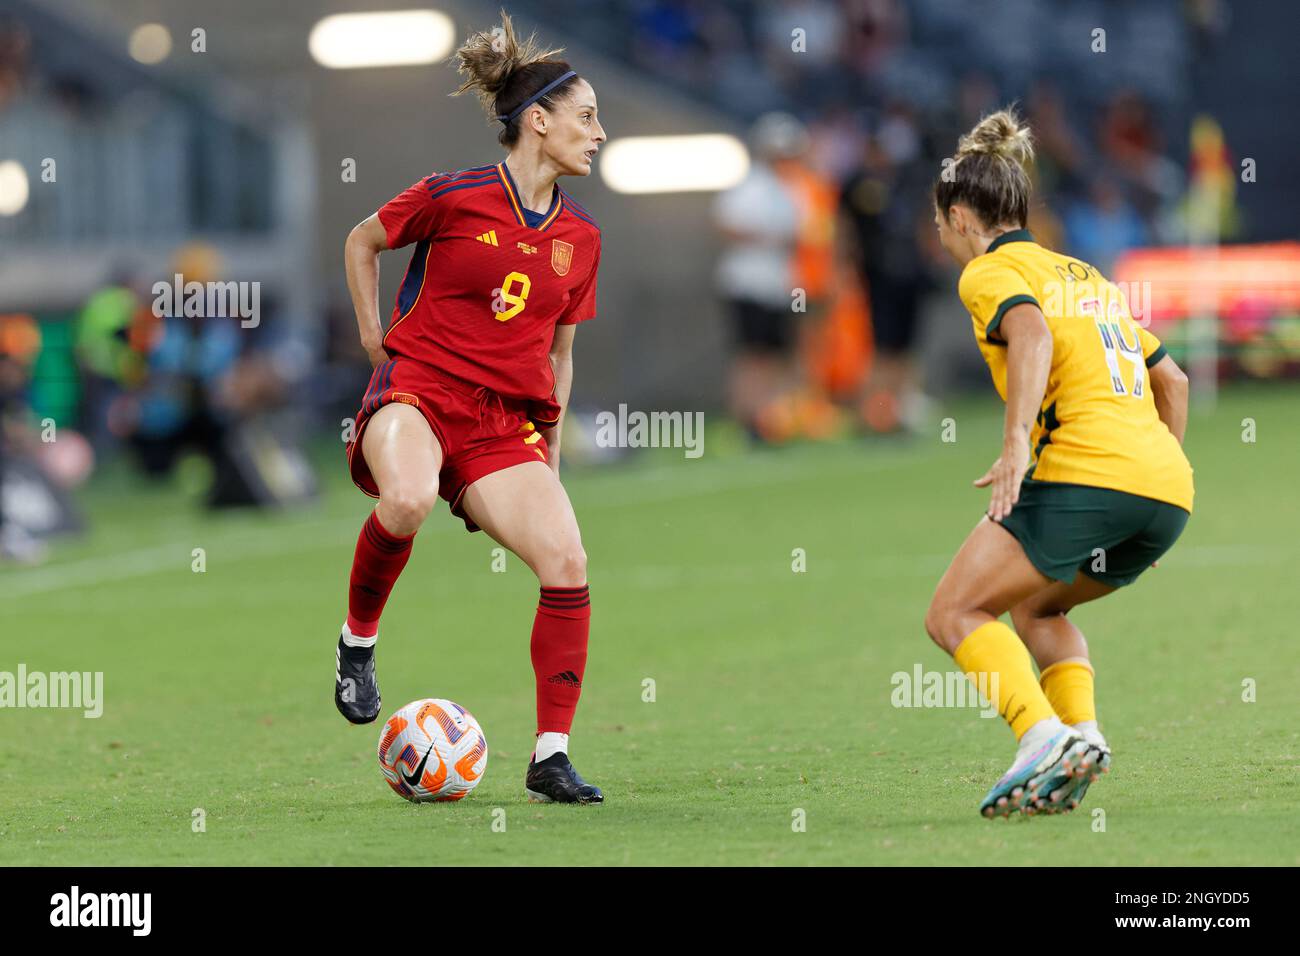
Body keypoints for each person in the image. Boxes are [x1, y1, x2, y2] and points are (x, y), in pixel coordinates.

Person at [336, 13, 606, 804]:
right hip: (416, 391)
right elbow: (362, 240)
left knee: (567, 561)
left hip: (501, 423)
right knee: (409, 497)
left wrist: (549, 452)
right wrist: (371, 335)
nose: (598, 134)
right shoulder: (452, 195)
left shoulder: (582, 238)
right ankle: (358, 643)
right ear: (539, 120)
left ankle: (550, 755)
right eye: (586, 118)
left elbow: (559, 354)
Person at [922, 110, 1193, 818]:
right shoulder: (1085, 275)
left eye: (941, 225)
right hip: (1165, 493)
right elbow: (1176, 381)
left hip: (1087, 473)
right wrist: (1153, 477)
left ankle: (1040, 736)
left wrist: (1016, 444)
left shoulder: (990, 271)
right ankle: (1082, 736)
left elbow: (1031, 333)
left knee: (954, 611)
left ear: (958, 216)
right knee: (1040, 608)